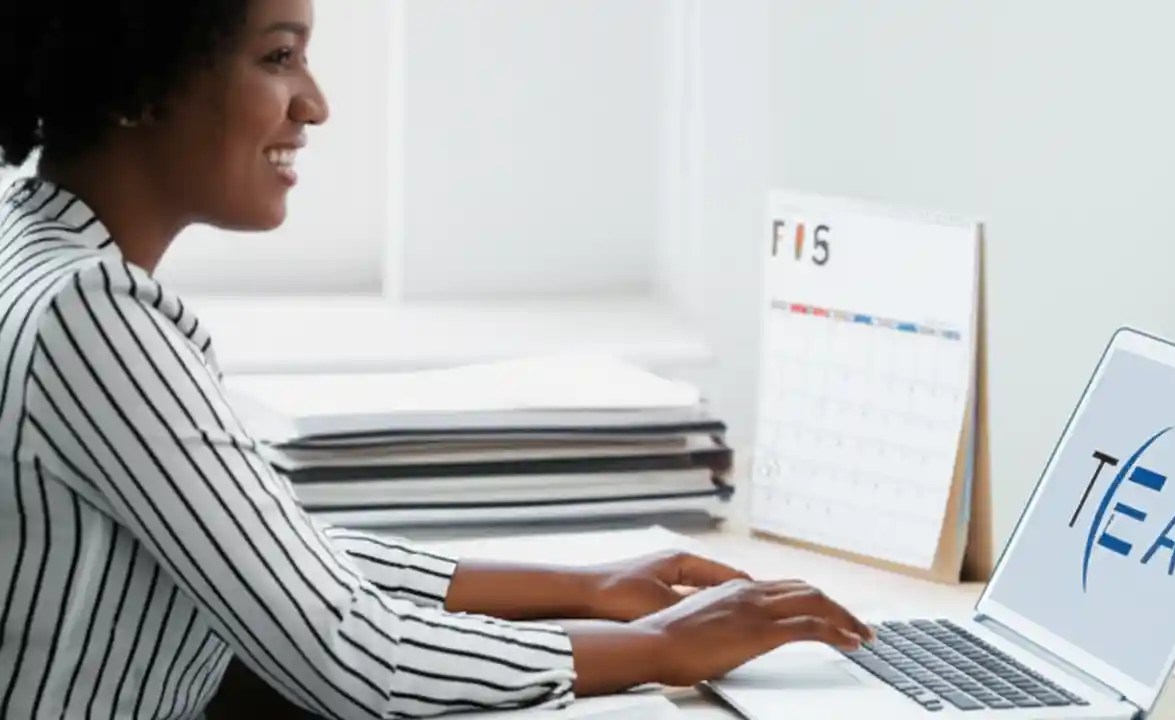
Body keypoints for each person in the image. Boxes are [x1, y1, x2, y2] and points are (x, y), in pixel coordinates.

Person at [0, 1, 873, 718]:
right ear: (138, 81)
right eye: (278, 57)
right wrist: (666, 647)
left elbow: (273, 556)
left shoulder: (28, 250)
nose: (314, 104)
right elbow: (351, 656)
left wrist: (589, 586)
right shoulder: (96, 316)